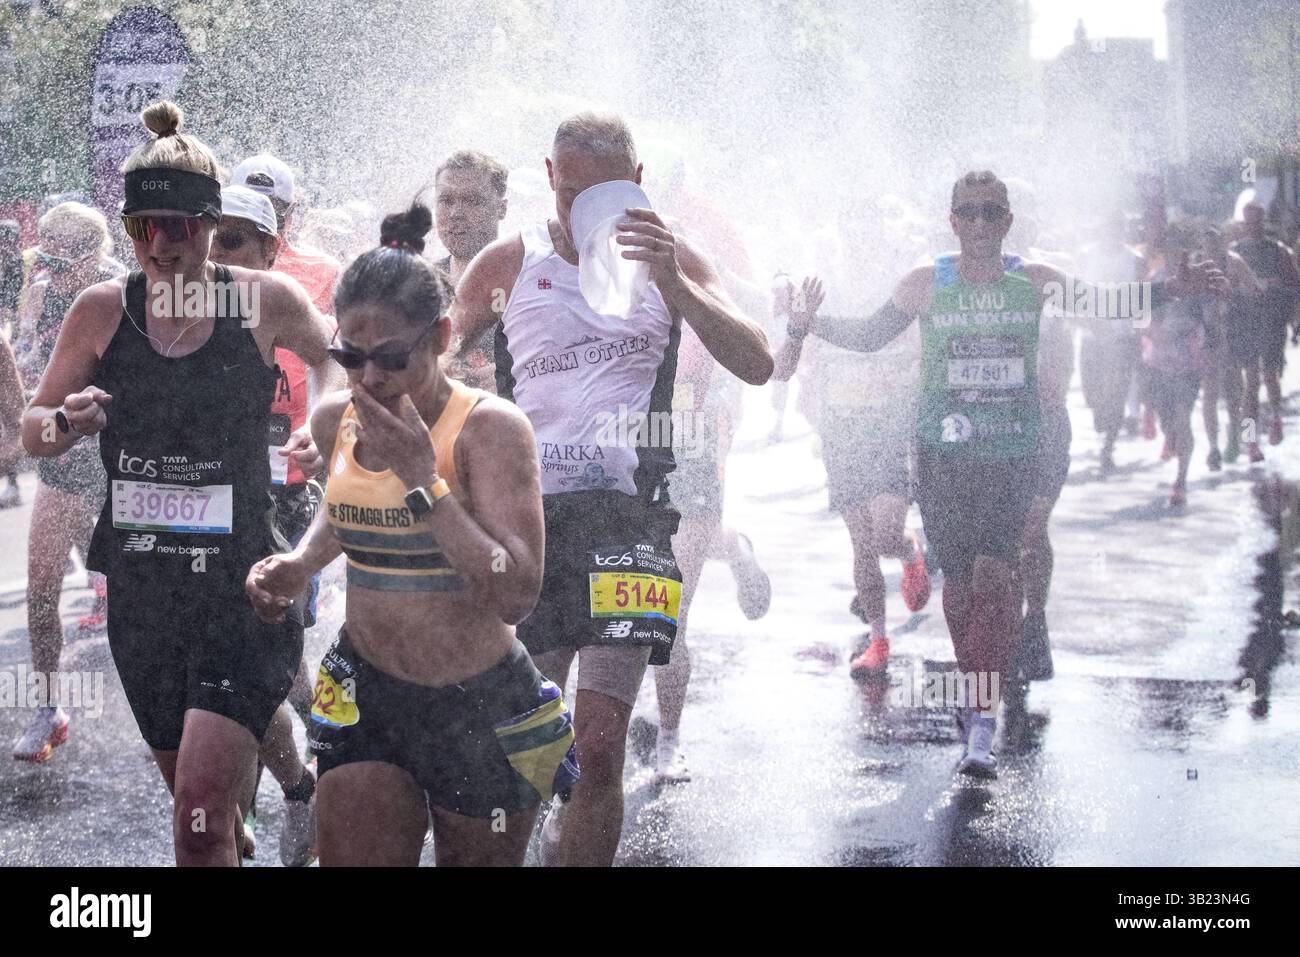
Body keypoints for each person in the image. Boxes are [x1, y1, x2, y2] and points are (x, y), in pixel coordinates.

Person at [791, 170, 1223, 777]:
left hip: (1011, 453)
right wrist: (807, 323)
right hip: (942, 457)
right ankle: (977, 693)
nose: (979, 224)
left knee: (995, 578)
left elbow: (1106, 304)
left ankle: (982, 721)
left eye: (990, 212)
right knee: (960, 591)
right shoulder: (925, 283)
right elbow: (867, 336)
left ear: (1007, 222)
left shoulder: (1033, 280)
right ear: (952, 221)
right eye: (968, 213)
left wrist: (1173, 287)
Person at [450, 112, 772, 865]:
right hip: (528, 523)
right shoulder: (510, 261)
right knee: (524, 743)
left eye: (613, 191)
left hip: (630, 522)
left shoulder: (671, 254)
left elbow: (758, 362)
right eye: (576, 193)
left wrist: (673, 283)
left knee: (598, 744)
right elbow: (432, 358)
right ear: (550, 177)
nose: (592, 210)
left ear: (639, 182)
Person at [22, 101, 336, 865]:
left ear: (210, 223)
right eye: (144, 228)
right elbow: (33, 428)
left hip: (242, 591)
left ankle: (252, 806)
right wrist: (66, 419)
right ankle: (241, 815)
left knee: (196, 817)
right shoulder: (103, 311)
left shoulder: (260, 300)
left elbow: (334, 360)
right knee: (200, 810)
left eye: (182, 227)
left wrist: (322, 420)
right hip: (144, 596)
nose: (161, 246)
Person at [246, 198, 576, 867]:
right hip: (367, 692)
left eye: (392, 357)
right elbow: (350, 508)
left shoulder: (491, 429)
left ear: (442, 335)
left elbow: (516, 592)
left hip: (480, 704)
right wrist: (301, 561)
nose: (370, 378)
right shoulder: (336, 418)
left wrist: (424, 480)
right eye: (350, 355)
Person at [209, 183, 341, 865]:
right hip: (197, 511)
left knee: (263, 667)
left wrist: (318, 426)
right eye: (206, 235)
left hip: (280, 496)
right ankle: (280, 790)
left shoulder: (286, 298)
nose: (213, 253)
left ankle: (302, 777)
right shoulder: (163, 303)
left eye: (232, 241)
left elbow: (334, 360)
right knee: (215, 676)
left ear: (271, 248)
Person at [773, 203, 930, 680]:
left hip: (888, 423)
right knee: (861, 542)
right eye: (851, 234)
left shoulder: (897, 285)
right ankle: (879, 641)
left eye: (867, 233)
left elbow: (916, 347)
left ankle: (909, 552)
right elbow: (793, 316)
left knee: (884, 535)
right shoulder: (828, 285)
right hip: (843, 426)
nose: (859, 243)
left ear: (881, 237)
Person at [10, 203, 122, 762]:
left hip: (122, 461)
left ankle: (176, 704)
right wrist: (27, 424)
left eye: (60, 260)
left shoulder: (123, 295)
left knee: (139, 591)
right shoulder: (41, 293)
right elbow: (26, 363)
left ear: (95, 252)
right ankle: (47, 708)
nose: (49, 270)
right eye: (44, 257)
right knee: (41, 589)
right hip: (64, 455)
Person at [1228, 202, 1300, 461]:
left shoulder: (1278, 251)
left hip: (1271, 322)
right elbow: (1229, 286)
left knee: (1270, 376)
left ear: (1263, 221)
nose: (1253, 226)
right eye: (1249, 222)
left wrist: (1293, 318)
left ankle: (1276, 418)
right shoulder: (1235, 252)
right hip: (1246, 323)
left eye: (1257, 221)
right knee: (1250, 385)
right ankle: (1251, 442)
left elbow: (1294, 287)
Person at [432, 150, 509, 392]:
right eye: (446, 201)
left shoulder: (529, 276)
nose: (456, 213)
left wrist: (513, 378)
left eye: (472, 201)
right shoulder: (418, 285)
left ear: (502, 208)